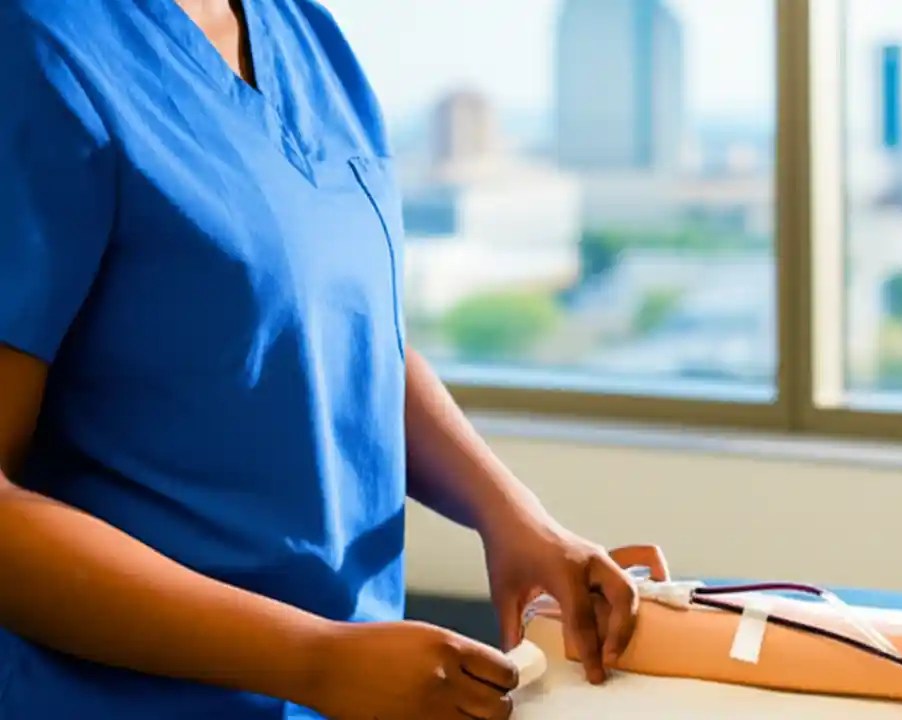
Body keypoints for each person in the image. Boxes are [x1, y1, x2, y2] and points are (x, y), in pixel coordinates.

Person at [0, 1, 638, 718]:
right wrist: (312, 659)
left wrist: (512, 516)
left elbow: (338, 338)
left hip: (356, 691)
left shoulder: (307, 36)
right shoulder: (36, 48)